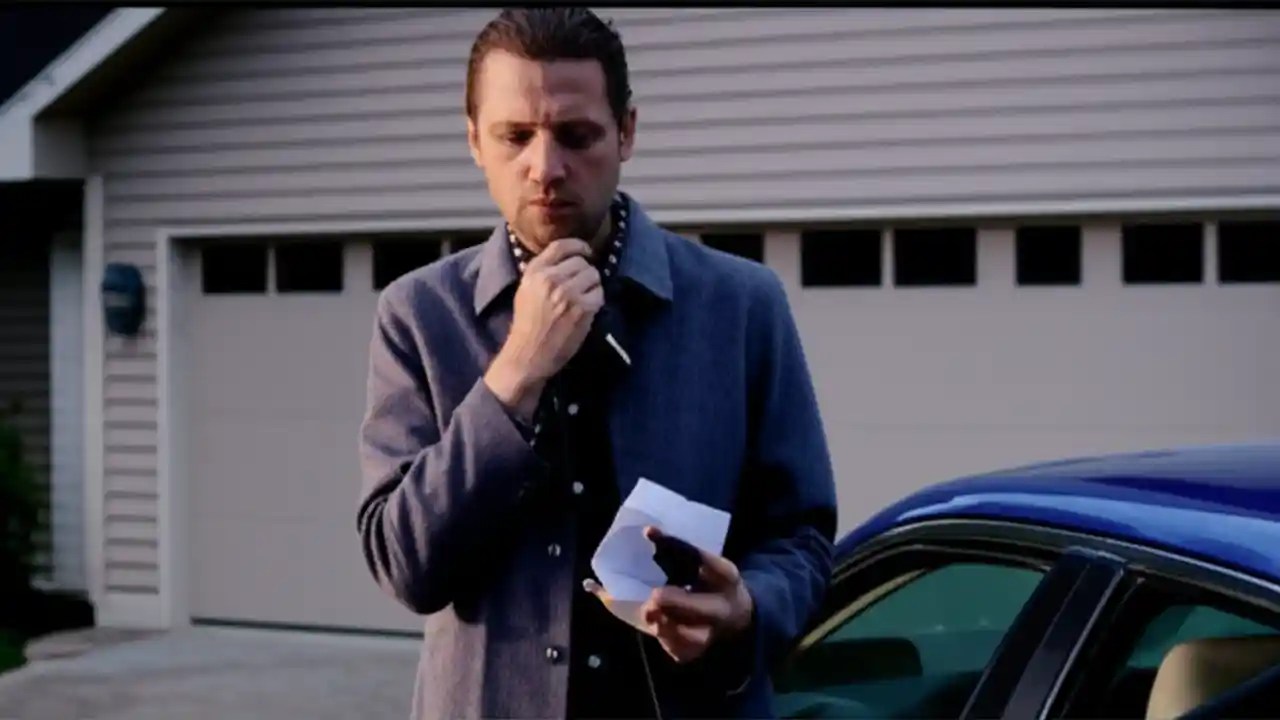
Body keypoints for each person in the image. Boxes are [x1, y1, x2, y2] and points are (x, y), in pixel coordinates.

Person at [356, 7, 838, 719]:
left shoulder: (741, 306)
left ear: (627, 132)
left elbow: (801, 535)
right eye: (514, 136)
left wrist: (748, 606)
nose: (546, 168)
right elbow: (406, 565)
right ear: (474, 142)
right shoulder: (419, 316)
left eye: (576, 136)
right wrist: (515, 373)